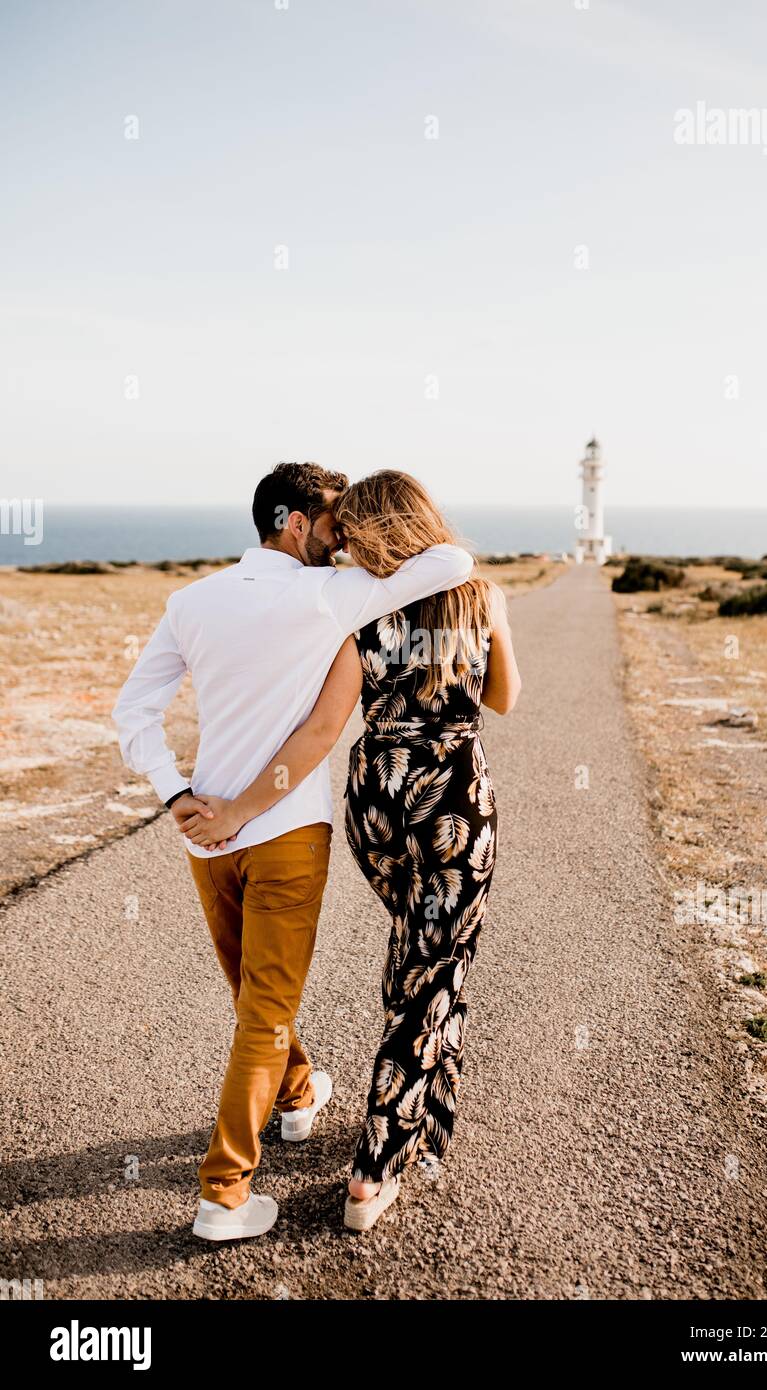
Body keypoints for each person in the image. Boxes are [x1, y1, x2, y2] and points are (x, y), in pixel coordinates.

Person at [112, 462, 473, 1241]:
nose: (346, 539)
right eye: (337, 523)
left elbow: (132, 711)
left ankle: (299, 1095)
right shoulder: (331, 594)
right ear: (295, 522)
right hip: (284, 837)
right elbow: (454, 561)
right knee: (264, 1013)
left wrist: (174, 792)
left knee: (255, 997)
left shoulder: (191, 600)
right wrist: (388, 550)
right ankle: (225, 1196)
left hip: (206, 835)